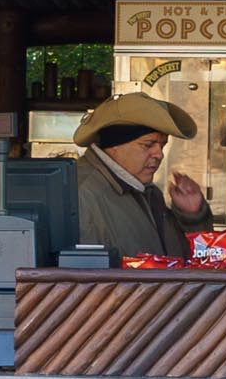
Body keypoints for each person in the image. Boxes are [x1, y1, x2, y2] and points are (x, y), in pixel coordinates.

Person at [72, 93, 215, 259]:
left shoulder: (148, 193)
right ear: (114, 144)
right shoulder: (79, 194)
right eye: (148, 145)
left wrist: (192, 217)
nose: (159, 154)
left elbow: (192, 259)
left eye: (162, 145)